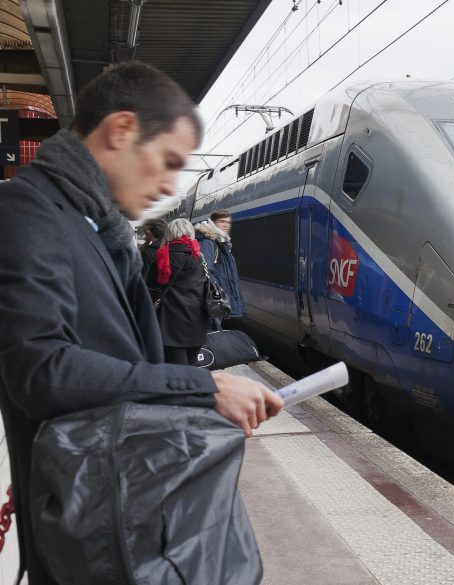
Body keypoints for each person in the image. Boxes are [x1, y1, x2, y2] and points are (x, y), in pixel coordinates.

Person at [0, 62, 283, 585]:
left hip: (118, 506)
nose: (170, 185)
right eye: (167, 161)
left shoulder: (98, 228)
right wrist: (199, 387)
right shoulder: (28, 210)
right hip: (84, 527)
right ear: (122, 130)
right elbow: (40, 370)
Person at [149, 218, 208, 365]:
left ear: (169, 234)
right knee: (191, 365)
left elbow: (149, 286)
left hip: (169, 321)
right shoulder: (199, 256)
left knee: (176, 368)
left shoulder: (162, 255)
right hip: (196, 319)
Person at [196, 209, 244, 330]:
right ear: (213, 222)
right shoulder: (208, 242)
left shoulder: (221, 242)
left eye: (228, 222)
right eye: (222, 221)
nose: (226, 225)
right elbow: (205, 271)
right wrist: (219, 294)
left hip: (216, 299)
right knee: (212, 333)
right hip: (212, 300)